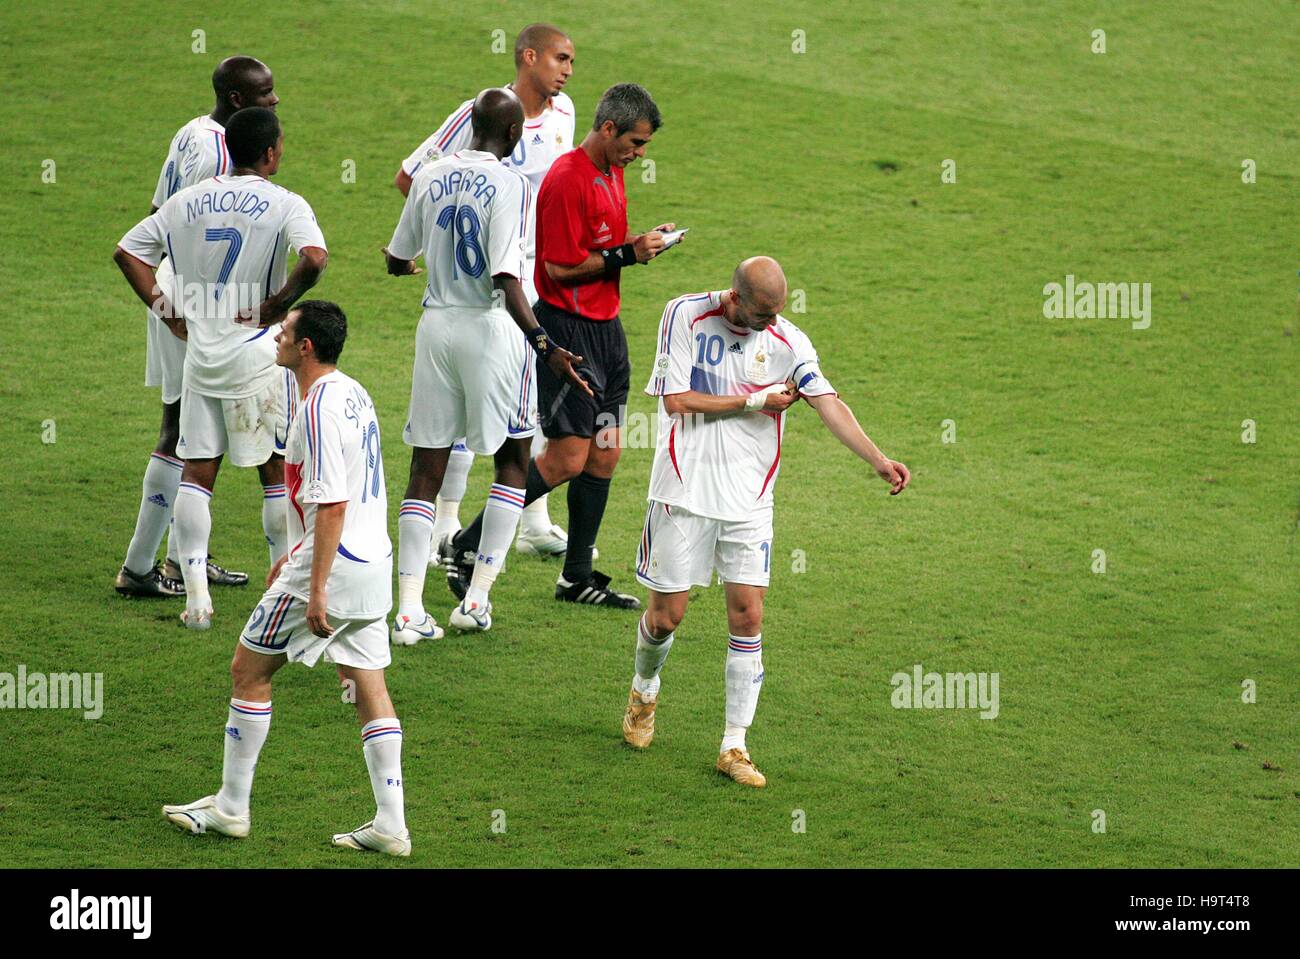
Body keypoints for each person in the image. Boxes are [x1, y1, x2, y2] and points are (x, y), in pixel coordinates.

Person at [622, 257, 911, 787]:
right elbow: (677, 400)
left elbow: (828, 402)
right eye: (761, 314)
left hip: (750, 501)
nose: (770, 324)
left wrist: (877, 459)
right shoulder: (685, 315)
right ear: (735, 298)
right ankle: (644, 690)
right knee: (666, 619)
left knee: (748, 616)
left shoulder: (787, 340)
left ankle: (735, 744)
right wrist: (756, 399)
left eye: (777, 313)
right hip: (683, 493)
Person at [162, 301, 411, 856]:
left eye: (287, 329)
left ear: (306, 347)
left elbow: (333, 504)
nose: (277, 333)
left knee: (248, 670)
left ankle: (230, 807)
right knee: (367, 682)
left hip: (334, 569)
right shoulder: (353, 392)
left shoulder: (318, 409)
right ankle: (391, 823)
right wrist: (297, 552)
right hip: (374, 568)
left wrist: (315, 585)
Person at [443, 82, 676, 610]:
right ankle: (465, 543)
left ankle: (576, 577)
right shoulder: (568, 179)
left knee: (606, 453)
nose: (639, 155)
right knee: (568, 458)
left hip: (607, 331)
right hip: (567, 333)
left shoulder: (610, 170)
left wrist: (635, 245)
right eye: (635, 143)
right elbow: (558, 270)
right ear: (609, 129)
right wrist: (628, 256)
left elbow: (600, 247)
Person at [114, 106, 328, 629]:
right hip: (256, 353)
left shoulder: (186, 201)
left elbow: (128, 253)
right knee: (275, 472)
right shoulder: (285, 203)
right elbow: (316, 258)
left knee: (197, 474)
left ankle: (195, 602)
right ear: (271, 151)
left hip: (201, 354)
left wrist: (168, 313)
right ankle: (282, 590)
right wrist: (278, 304)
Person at [386, 88, 589, 642]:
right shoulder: (512, 184)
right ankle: (474, 602)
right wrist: (545, 344)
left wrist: (424, 272)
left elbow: (397, 259)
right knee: (513, 458)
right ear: (515, 134)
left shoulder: (430, 174)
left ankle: (406, 614)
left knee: (424, 467)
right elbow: (505, 277)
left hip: (436, 328)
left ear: (471, 125)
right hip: (493, 331)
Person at [115, 56, 278, 599]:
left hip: (173, 291)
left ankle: (185, 558)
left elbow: (158, 212)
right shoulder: (223, 151)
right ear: (237, 101)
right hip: (195, 303)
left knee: (186, 427)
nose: (275, 101)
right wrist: (177, 309)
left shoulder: (191, 130)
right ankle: (140, 568)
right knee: (184, 430)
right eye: (265, 92)